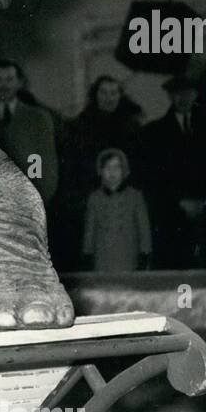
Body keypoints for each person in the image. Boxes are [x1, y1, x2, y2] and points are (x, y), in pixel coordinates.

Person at [56, 74, 142, 271]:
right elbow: (72, 166)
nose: (109, 97)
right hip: (90, 200)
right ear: (95, 95)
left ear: (120, 96)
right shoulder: (79, 127)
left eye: (114, 93)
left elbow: (138, 167)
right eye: (104, 93)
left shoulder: (132, 128)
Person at [138, 74, 206, 268]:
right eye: (177, 93)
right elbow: (153, 177)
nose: (183, 98)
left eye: (188, 92)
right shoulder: (152, 132)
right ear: (169, 95)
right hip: (170, 218)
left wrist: (204, 201)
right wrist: (180, 201)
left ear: (196, 94)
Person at [0, 60, 58, 205]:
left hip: (27, 197)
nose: (4, 85)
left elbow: (40, 158)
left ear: (19, 83)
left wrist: (37, 194)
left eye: (10, 79)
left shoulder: (37, 118)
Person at [82, 148, 151, 272]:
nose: (112, 172)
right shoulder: (94, 198)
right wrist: (87, 253)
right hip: (103, 258)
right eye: (107, 167)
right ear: (100, 171)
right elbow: (90, 229)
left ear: (124, 170)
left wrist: (145, 253)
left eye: (116, 167)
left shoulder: (135, 196)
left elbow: (144, 228)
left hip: (128, 256)